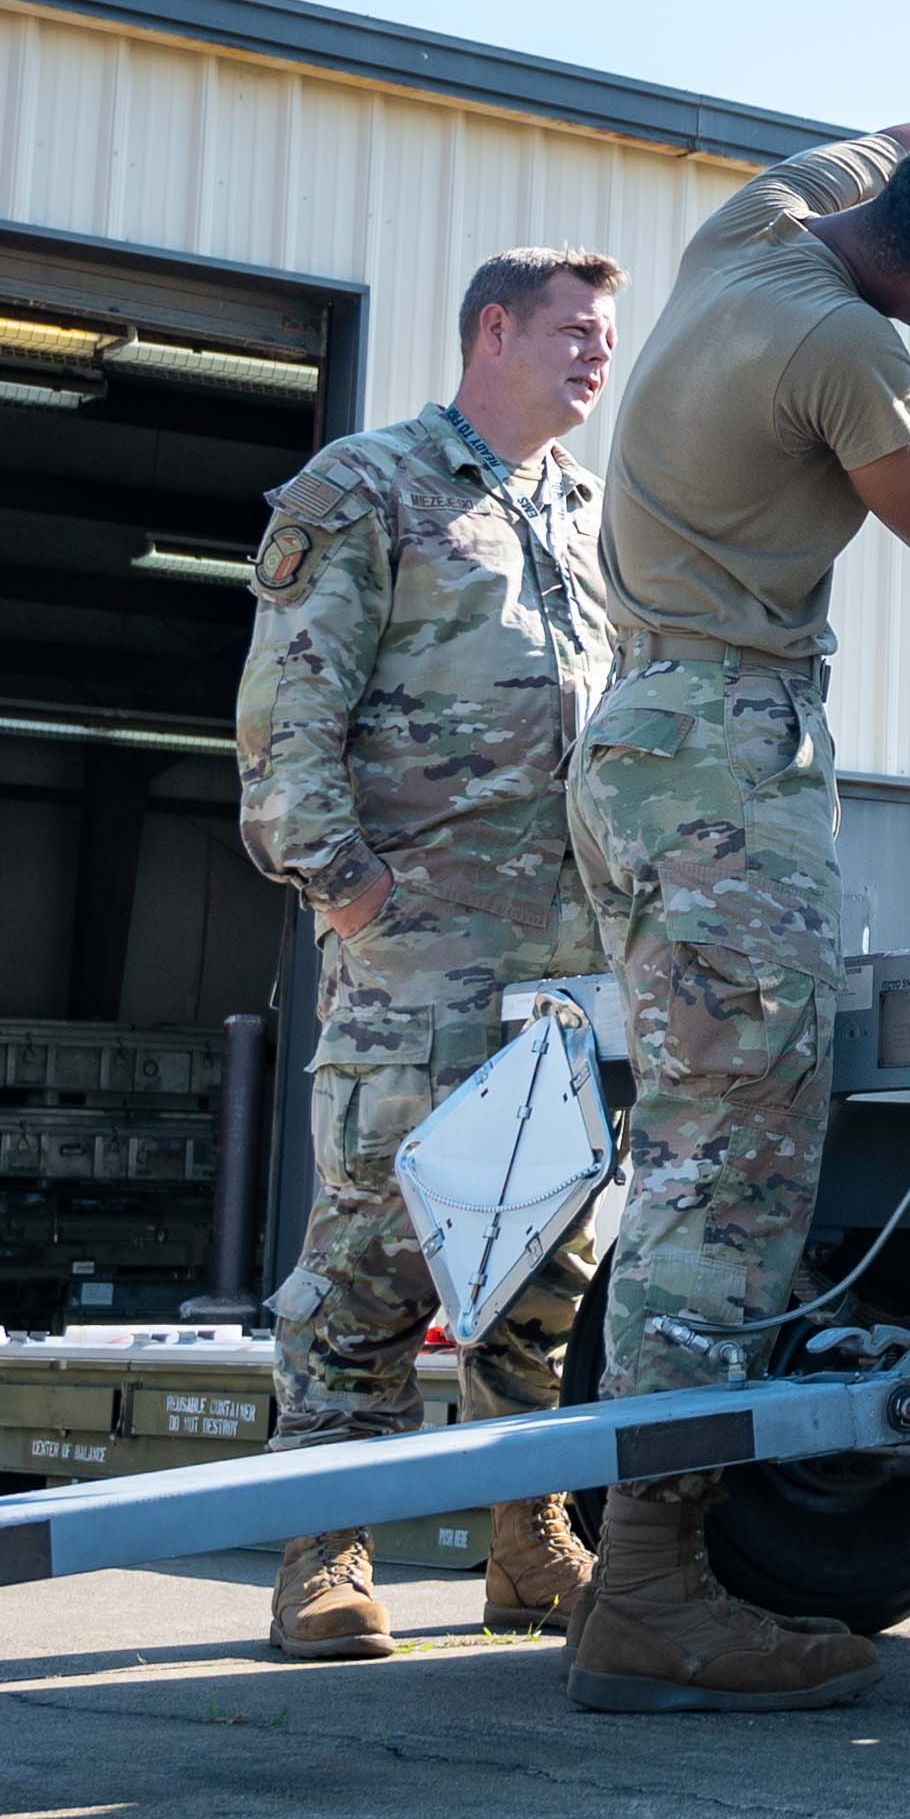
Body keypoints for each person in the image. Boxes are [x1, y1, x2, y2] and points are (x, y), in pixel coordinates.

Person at [564, 116, 910, 1712]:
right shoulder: (841, 343)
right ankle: (655, 1592)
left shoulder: (762, 224)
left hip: (650, 741)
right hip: (722, 772)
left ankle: (638, 1563)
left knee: (697, 1156)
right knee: (729, 1177)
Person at [234, 247, 629, 1661]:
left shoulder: (583, 512)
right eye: (575, 331)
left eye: (607, 334)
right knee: (376, 1245)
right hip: (418, 951)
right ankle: (324, 1544)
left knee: (541, 1257)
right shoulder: (370, 485)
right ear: (493, 329)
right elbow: (288, 709)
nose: (598, 354)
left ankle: (526, 1534)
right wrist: (347, 891)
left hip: (568, 961)